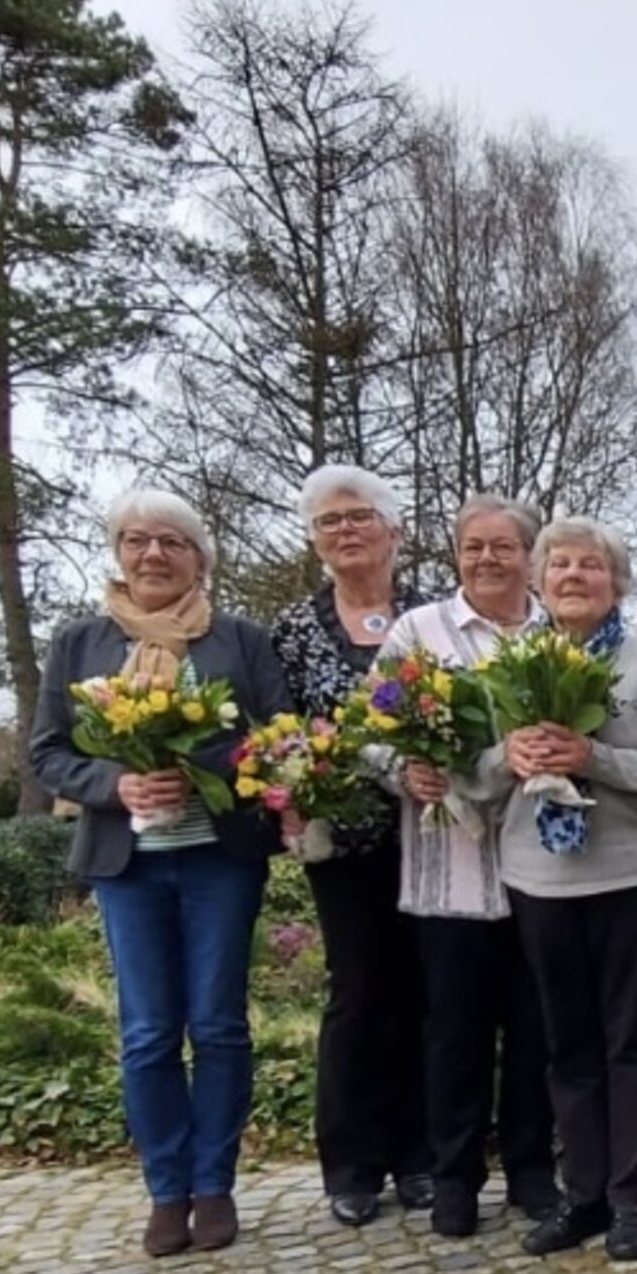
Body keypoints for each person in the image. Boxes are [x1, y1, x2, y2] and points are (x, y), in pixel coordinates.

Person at [30, 490, 293, 1258]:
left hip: (218, 857)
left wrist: (202, 761)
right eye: (137, 540)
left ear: (200, 558)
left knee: (216, 1025)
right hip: (127, 863)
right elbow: (47, 751)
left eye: (172, 541)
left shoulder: (238, 640)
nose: (152, 554)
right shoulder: (81, 642)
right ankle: (165, 1189)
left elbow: (277, 739)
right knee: (146, 1032)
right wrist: (118, 782)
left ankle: (214, 1183)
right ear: (118, 553)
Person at [469, 517, 637, 1261]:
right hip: (540, 878)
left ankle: (633, 1200)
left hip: (633, 875)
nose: (573, 575)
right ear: (537, 580)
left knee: (626, 1040)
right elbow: (469, 782)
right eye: (559, 563)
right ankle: (584, 1195)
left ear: (617, 582)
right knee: (565, 1044)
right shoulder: (507, 667)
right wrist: (509, 755)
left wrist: (594, 757)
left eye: (590, 565)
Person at [380, 494, 559, 1237]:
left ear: (529, 555)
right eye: (472, 547)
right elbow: (374, 729)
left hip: (544, 869)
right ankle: (455, 1176)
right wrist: (402, 768)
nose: (487, 559)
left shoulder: (557, 635)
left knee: (536, 1028)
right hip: (449, 869)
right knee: (455, 1032)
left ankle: (531, 1170)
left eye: (503, 547)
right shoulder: (419, 632)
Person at [270, 465, 430, 1229]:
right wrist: (296, 796)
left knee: (430, 991)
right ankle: (354, 1162)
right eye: (329, 522)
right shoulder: (295, 630)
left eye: (359, 517)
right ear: (314, 540)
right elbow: (278, 734)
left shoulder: (429, 617)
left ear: (393, 530)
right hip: (346, 838)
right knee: (360, 990)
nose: (345, 531)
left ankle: (421, 1152)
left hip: (435, 833)